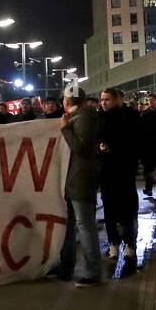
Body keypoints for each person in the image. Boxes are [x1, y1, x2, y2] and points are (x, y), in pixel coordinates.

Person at [55, 90, 102, 286]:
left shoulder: (83, 116)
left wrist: (65, 129)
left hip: (80, 178)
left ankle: (92, 271)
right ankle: (67, 265)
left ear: (66, 100)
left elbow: (81, 147)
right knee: (71, 223)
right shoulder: (80, 115)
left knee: (84, 225)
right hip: (75, 178)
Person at [97, 87, 140, 274]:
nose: (103, 103)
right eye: (102, 99)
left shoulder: (130, 117)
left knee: (127, 210)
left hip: (125, 171)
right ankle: (113, 242)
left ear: (116, 100)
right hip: (106, 172)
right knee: (109, 209)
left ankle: (129, 244)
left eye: (107, 99)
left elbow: (137, 142)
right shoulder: (100, 117)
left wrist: (113, 148)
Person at [138, 93, 156, 198]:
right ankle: (148, 188)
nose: (150, 101)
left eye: (152, 99)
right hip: (149, 145)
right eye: (149, 100)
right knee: (149, 169)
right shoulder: (145, 114)